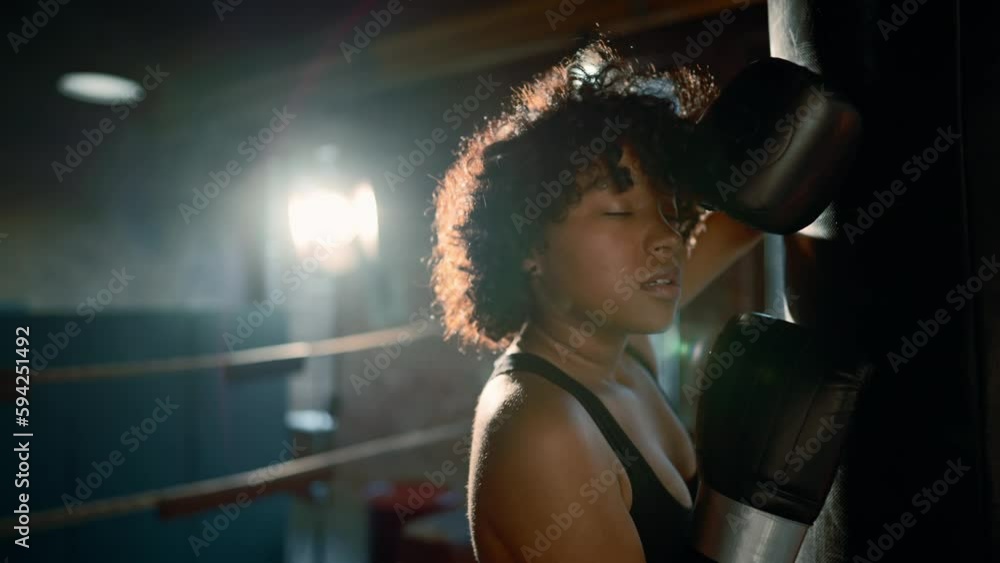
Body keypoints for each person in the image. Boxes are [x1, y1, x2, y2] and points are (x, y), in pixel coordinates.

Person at [427, 37, 762, 562]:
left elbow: (747, 217)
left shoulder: (622, 352)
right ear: (529, 246)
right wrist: (770, 521)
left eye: (668, 211)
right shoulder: (541, 428)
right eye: (620, 213)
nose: (669, 238)